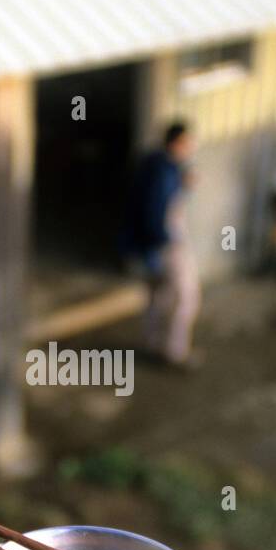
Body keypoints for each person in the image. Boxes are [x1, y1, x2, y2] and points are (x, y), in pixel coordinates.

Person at [120, 121, 200, 368]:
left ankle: (151, 344)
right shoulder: (164, 173)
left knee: (157, 296)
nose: (192, 147)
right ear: (178, 143)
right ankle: (175, 352)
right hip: (165, 245)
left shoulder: (155, 164)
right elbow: (157, 213)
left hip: (151, 245)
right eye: (189, 142)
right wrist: (161, 244)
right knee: (184, 297)